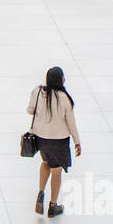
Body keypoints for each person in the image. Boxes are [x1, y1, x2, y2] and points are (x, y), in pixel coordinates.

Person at [26, 66, 81, 216]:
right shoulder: (64, 99)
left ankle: (41, 193)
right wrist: (77, 141)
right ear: (60, 79)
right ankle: (53, 206)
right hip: (59, 140)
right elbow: (71, 123)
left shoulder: (38, 91)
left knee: (45, 163)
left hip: (41, 138)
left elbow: (30, 110)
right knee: (56, 171)